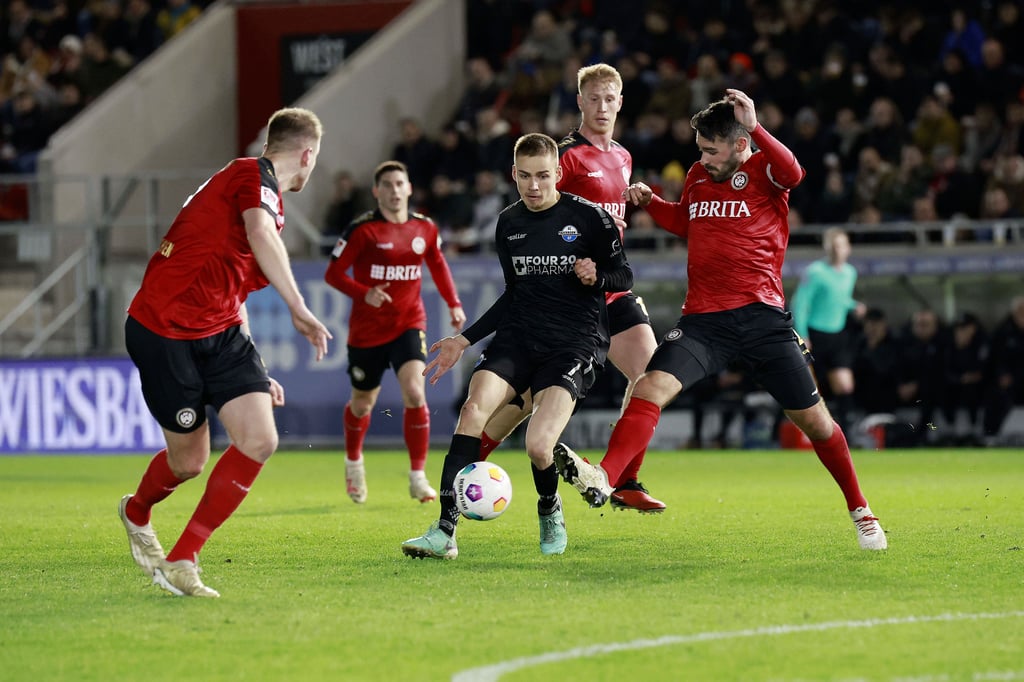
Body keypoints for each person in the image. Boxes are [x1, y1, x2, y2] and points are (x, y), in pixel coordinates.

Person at [554, 90, 888, 551]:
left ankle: (861, 509)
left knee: (815, 422)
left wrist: (756, 125)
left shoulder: (766, 170)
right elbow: (687, 224)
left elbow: (795, 171)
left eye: (711, 150)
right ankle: (605, 478)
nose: (703, 158)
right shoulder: (697, 175)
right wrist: (651, 202)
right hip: (705, 321)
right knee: (651, 384)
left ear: (739, 144)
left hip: (763, 319)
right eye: (701, 149)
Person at [118, 107, 333, 597]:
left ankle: (183, 558)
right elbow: (259, 234)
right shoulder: (248, 175)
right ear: (307, 154)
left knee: (260, 438)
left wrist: (253, 368)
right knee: (189, 463)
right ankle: (136, 511)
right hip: (164, 328)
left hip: (222, 331)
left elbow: (235, 286)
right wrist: (298, 307)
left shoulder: (265, 200)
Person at [400, 132, 632, 559]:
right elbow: (514, 294)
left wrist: (596, 277)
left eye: (543, 176)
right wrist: (463, 340)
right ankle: (444, 530)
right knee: (472, 411)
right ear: (513, 175)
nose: (535, 186)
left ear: (558, 173)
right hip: (519, 338)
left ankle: (549, 509)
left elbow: (624, 277)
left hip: (573, 345)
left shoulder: (590, 218)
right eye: (525, 176)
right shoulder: (509, 223)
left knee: (540, 446)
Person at [476, 63, 664, 513]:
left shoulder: (622, 156)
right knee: (529, 396)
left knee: (652, 375)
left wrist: (633, 203)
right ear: (579, 101)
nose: (601, 107)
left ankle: (623, 478)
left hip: (610, 286)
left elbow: (606, 226)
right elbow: (540, 210)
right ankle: (469, 460)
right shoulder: (566, 157)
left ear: (621, 102)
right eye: (593, 98)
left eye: (609, 98)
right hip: (567, 295)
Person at [324, 160, 466, 505]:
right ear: (376, 192)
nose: (394, 190)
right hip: (367, 332)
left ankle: (418, 476)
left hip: (408, 324)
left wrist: (453, 303)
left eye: (399, 183)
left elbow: (438, 264)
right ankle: (354, 462)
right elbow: (334, 274)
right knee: (362, 404)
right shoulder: (363, 230)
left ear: (409, 188)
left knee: (415, 393)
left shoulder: (425, 228)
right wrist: (365, 293)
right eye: (386, 184)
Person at [790, 227, 866, 433]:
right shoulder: (815, 272)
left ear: (848, 248)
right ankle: (792, 431)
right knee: (806, 387)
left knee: (845, 386)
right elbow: (800, 303)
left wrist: (853, 306)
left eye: (841, 245)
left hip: (837, 334)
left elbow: (839, 298)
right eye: (833, 246)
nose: (837, 250)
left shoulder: (850, 272)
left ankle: (846, 434)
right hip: (814, 334)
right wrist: (802, 333)